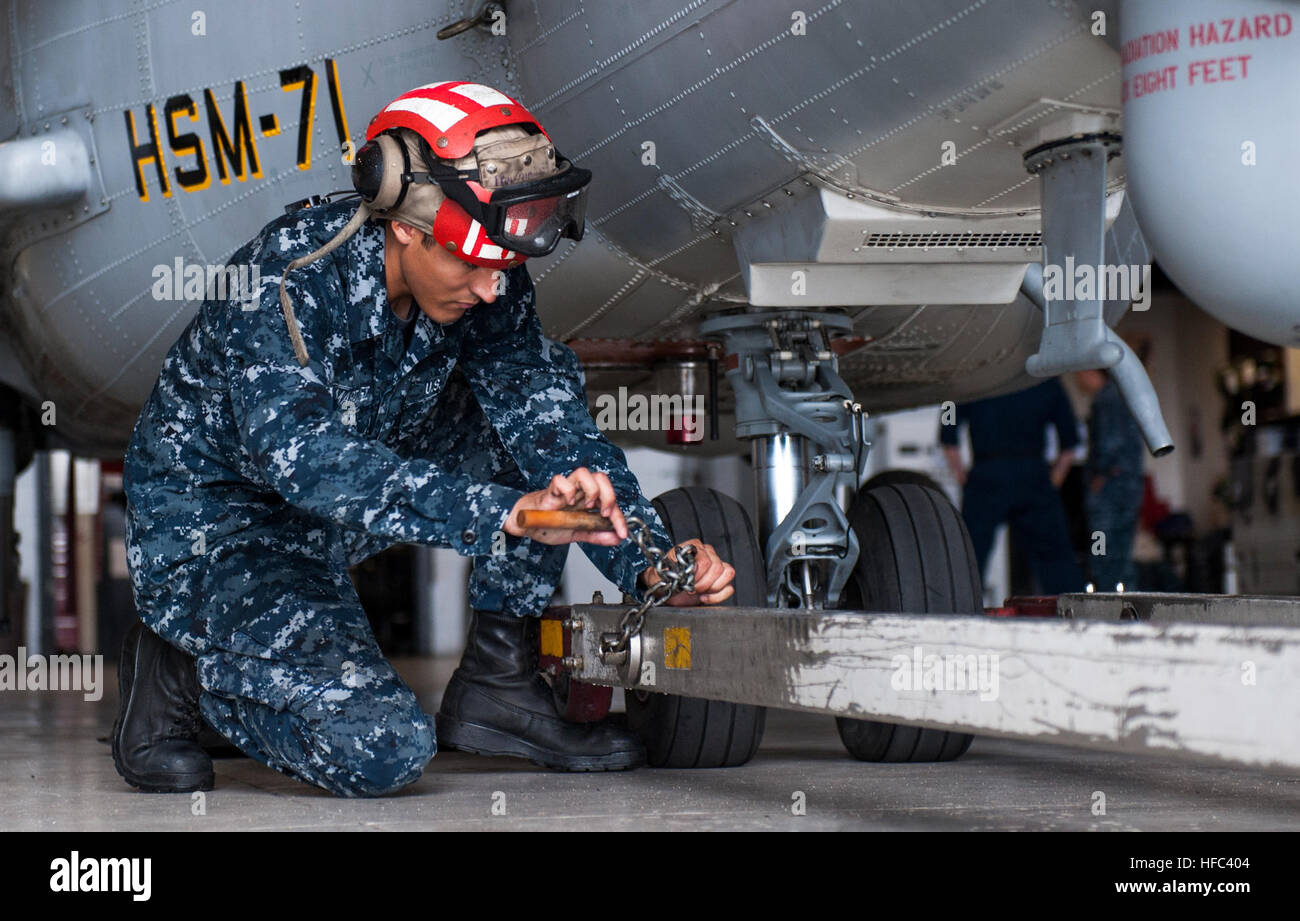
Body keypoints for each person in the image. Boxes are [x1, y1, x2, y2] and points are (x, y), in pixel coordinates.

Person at [115, 82, 736, 797]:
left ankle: (500, 681)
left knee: (529, 437)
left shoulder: (486, 274)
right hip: (221, 526)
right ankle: (181, 664)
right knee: (383, 750)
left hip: (346, 509)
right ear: (405, 226)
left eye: (501, 267)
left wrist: (653, 564)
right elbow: (315, 468)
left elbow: (551, 424)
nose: (490, 289)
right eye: (469, 264)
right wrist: (503, 513)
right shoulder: (282, 279)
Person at [939, 378, 1084, 595]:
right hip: (1033, 475)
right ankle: (1072, 618)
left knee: (968, 559)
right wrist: (1055, 479)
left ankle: (957, 614)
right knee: (1056, 560)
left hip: (987, 474)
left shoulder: (975, 377)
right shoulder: (1045, 377)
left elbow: (948, 426)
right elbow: (1070, 439)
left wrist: (960, 473)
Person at [1075, 368, 1145, 591]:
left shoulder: (1106, 400)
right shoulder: (1123, 396)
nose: (1077, 379)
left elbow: (1109, 444)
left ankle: (1105, 609)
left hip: (1109, 489)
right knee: (1122, 557)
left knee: (1102, 555)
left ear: (1091, 371)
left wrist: (1099, 476)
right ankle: (1127, 610)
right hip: (1128, 486)